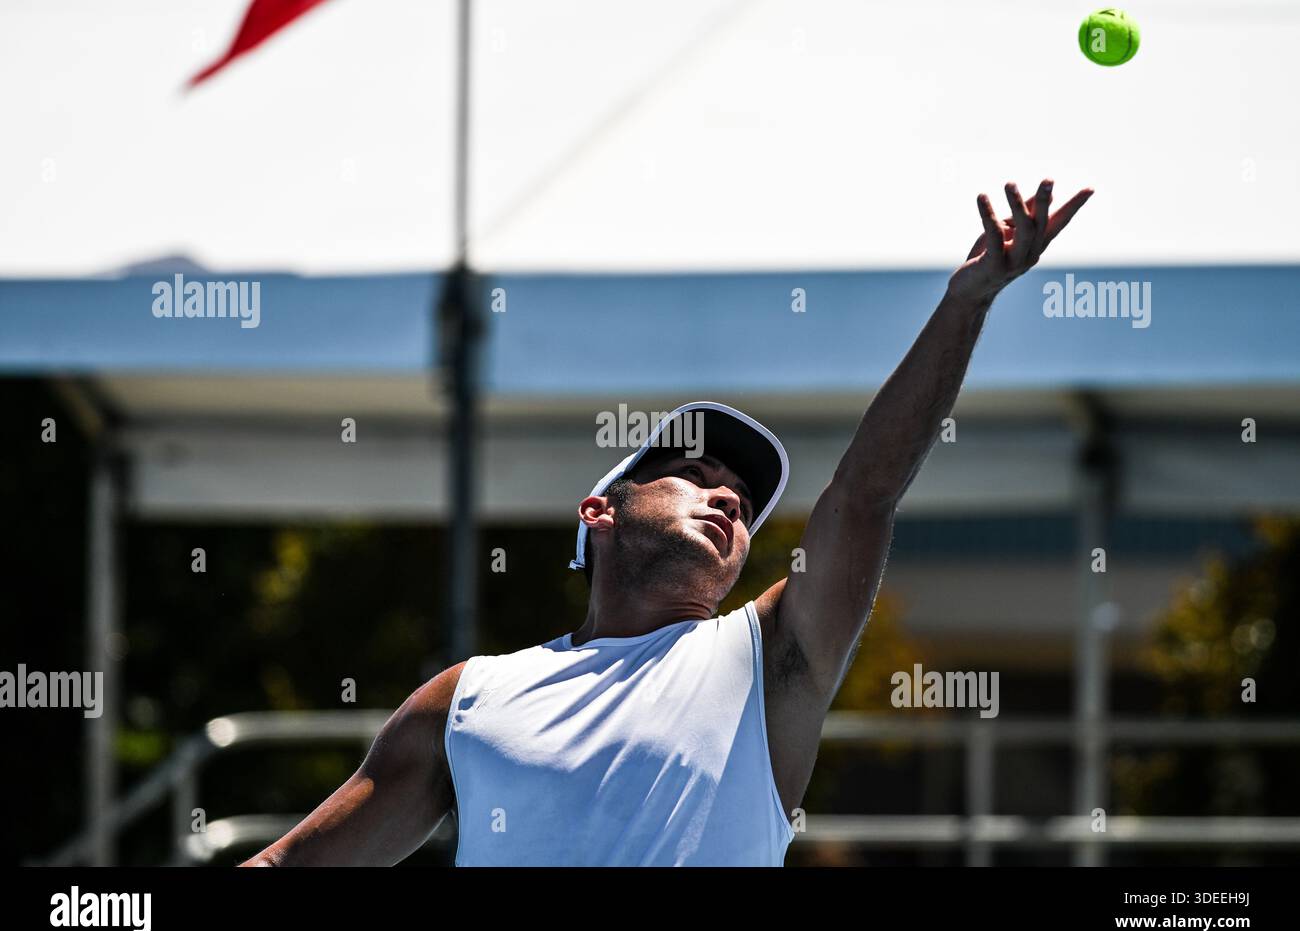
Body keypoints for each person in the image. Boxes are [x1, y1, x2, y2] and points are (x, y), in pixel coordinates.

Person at [241, 180, 1091, 866]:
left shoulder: (770, 653)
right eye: (694, 475)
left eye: (744, 501)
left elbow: (863, 496)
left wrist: (967, 304)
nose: (728, 498)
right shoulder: (468, 696)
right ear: (600, 510)